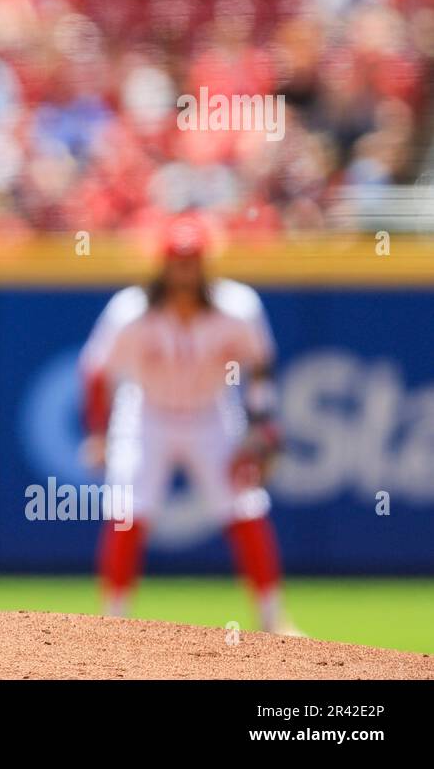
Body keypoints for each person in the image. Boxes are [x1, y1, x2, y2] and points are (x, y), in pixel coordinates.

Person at [79, 216, 299, 634]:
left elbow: (261, 367)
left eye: (191, 260)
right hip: (145, 414)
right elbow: (95, 369)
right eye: (177, 260)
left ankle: (273, 619)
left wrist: (260, 426)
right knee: (128, 511)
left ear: (204, 262)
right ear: (162, 263)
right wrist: (97, 431)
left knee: (245, 506)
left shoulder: (238, 307)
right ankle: (113, 623)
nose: (184, 270)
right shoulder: (131, 310)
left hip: (212, 414)